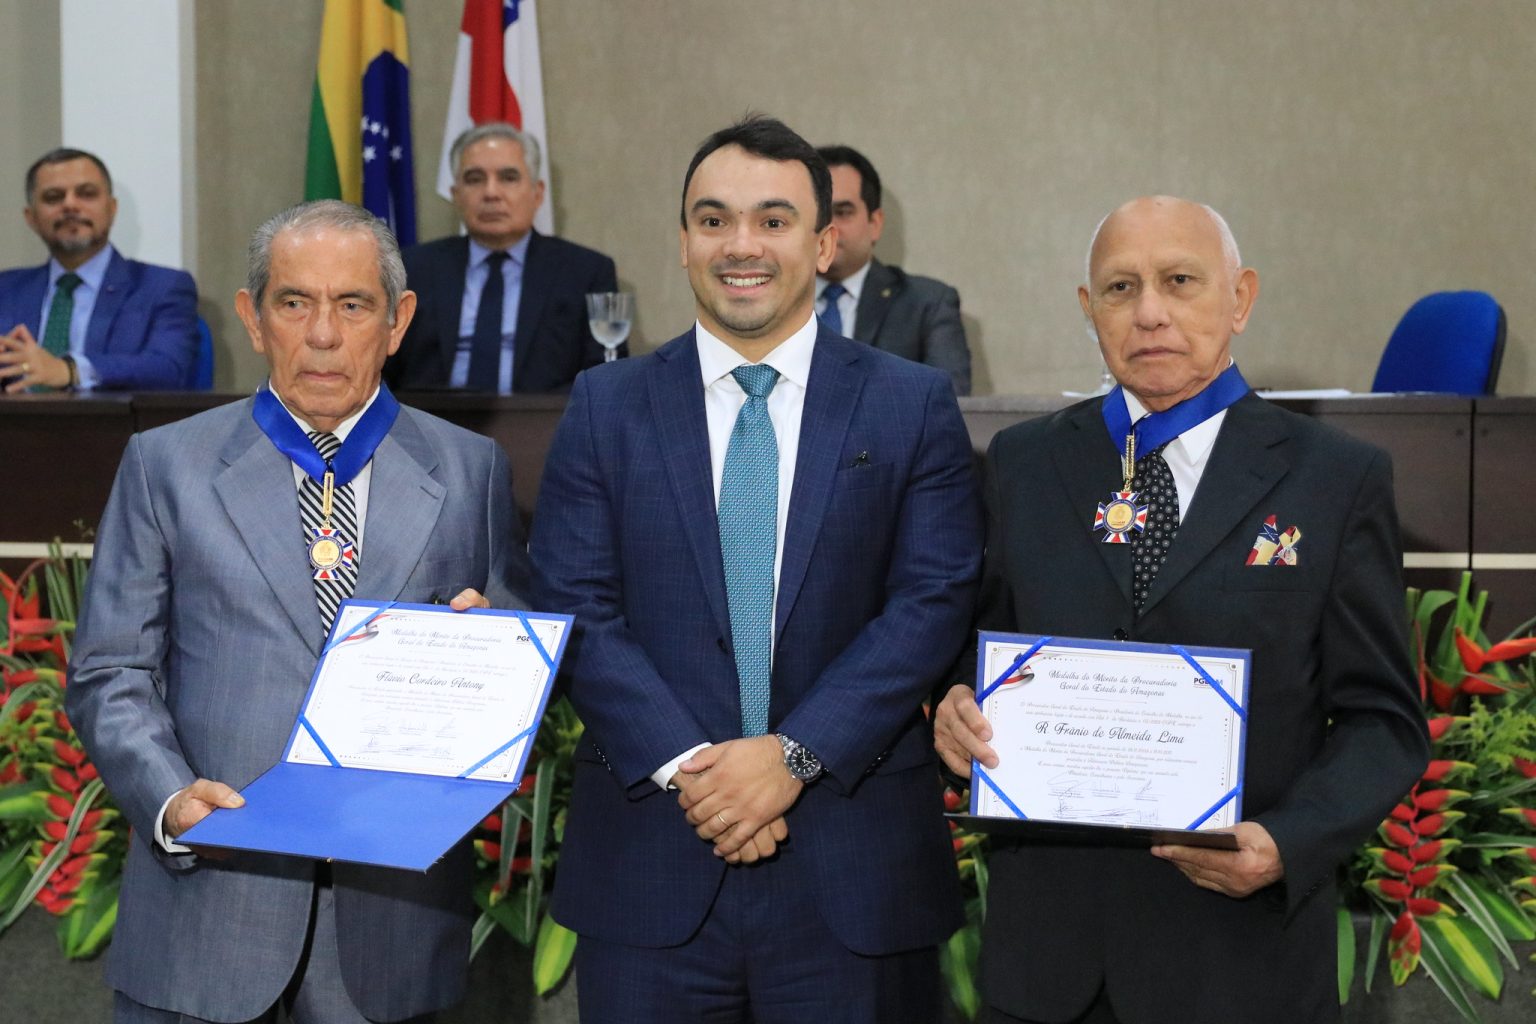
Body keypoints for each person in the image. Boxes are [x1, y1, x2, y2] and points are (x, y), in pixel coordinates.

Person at [530, 115, 982, 1023]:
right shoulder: (604, 404)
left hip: (854, 879)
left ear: (824, 244)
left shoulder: (910, 404)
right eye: (713, 219)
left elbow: (931, 602)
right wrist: (704, 772)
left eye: (773, 221)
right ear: (684, 242)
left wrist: (793, 757)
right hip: (653, 873)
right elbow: (575, 603)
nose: (742, 245)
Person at [933, 196, 1429, 1023]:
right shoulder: (1025, 463)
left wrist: (1288, 842)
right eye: (1122, 288)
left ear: (1240, 299)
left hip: (1239, 960)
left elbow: (1385, 721)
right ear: (1091, 311)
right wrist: (952, 704)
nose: (1151, 312)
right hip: (1051, 962)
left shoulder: (1334, 479)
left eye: (1180, 281)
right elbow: (974, 648)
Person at [66, 199, 530, 1024]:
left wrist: (491, 661)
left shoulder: (470, 471)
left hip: (392, 933)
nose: (322, 334)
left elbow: (520, 665)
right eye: (294, 302)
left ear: (397, 322)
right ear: (252, 317)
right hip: (206, 915)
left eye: (352, 305)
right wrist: (171, 800)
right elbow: (111, 670)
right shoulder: (164, 465)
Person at [384, 123, 619, 394]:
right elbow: (380, 369)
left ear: (537, 193)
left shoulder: (586, 273)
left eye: (508, 177)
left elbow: (605, 379)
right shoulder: (413, 268)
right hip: (430, 428)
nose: (491, 193)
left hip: (543, 429)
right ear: (455, 194)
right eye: (474, 179)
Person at [0, 147, 199, 393]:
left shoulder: (162, 286)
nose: (70, 205)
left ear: (112, 208)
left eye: (86, 194)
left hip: (114, 429)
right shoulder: (6, 289)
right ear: (31, 217)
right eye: (53, 197)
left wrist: (69, 370)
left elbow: (170, 369)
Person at [814, 144, 971, 395]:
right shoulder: (774, 299)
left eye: (843, 212)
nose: (829, 228)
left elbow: (949, 404)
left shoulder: (927, 304)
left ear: (874, 224)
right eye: (819, 212)